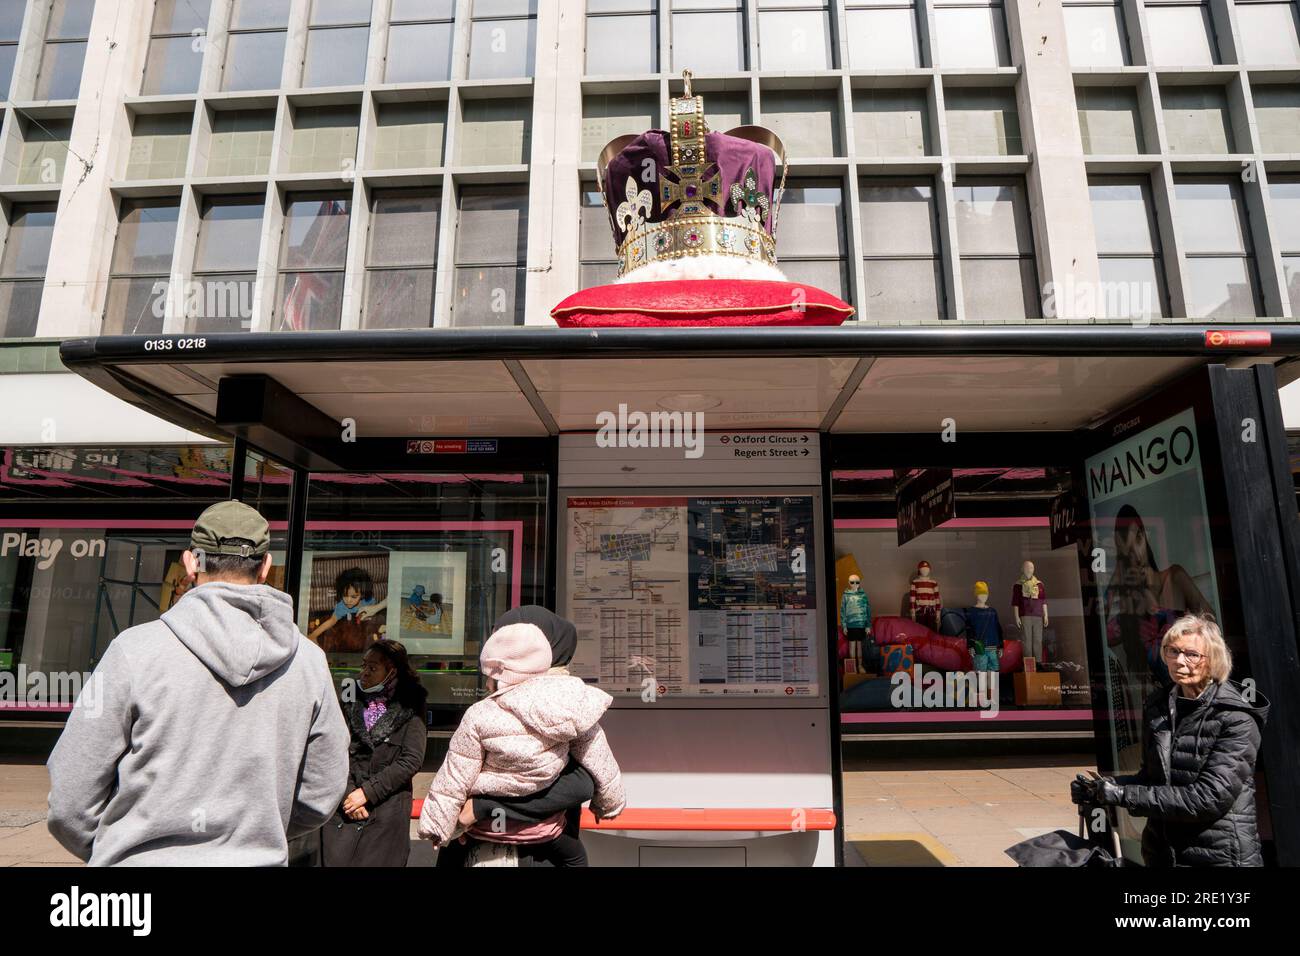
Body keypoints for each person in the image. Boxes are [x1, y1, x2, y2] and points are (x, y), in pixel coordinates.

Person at [46, 500, 351, 866]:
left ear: (191, 562)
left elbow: (71, 796)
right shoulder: (308, 662)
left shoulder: (134, 651)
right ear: (266, 566)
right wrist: (251, 834)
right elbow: (322, 791)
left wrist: (119, 847)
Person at [417, 621, 624, 866]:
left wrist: (438, 824)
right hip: (546, 830)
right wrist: (609, 803)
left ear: (502, 676)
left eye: (490, 677)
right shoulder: (568, 707)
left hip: (485, 828)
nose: (486, 685)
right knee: (577, 858)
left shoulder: (480, 714)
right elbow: (598, 758)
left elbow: (455, 774)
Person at [1072, 613, 1268, 867]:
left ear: (1213, 660)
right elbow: (1152, 778)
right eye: (1172, 651)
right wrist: (1101, 789)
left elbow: (1209, 798)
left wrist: (1123, 794)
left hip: (1219, 856)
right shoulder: (1158, 704)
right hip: (1163, 853)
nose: (1179, 661)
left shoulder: (1236, 718)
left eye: (1191, 654)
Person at [322, 639, 428, 867]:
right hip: (346, 808)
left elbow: (411, 760)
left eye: (372, 668)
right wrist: (349, 794)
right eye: (363, 666)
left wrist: (368, 793)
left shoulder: (411, 704)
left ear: (392, 672)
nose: (364, 674)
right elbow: (333, 750)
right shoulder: (350, 700)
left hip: (386, 811)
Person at [309, 567, 380, 643]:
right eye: (345, 595)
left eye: (354, 596)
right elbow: (331, 621)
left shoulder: (369, 601)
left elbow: (375, 617)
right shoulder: (342, 606)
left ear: (362, 594)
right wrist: (313, 635)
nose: (348, 600)